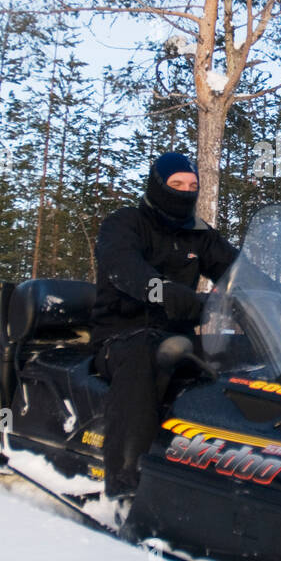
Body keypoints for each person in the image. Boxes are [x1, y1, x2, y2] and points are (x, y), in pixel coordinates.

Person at [90, 152, 238, 498]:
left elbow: (236, 270)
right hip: (121, 337)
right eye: (176, 185)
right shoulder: (125, 223)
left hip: (178, 338)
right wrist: (161, 291)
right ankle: (124, 480)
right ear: (158, 185)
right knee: (146, 353)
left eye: (192, 186)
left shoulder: (200, 235)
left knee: (241, 352)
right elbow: (123, 266)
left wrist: (280, 297)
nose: (185, 192)